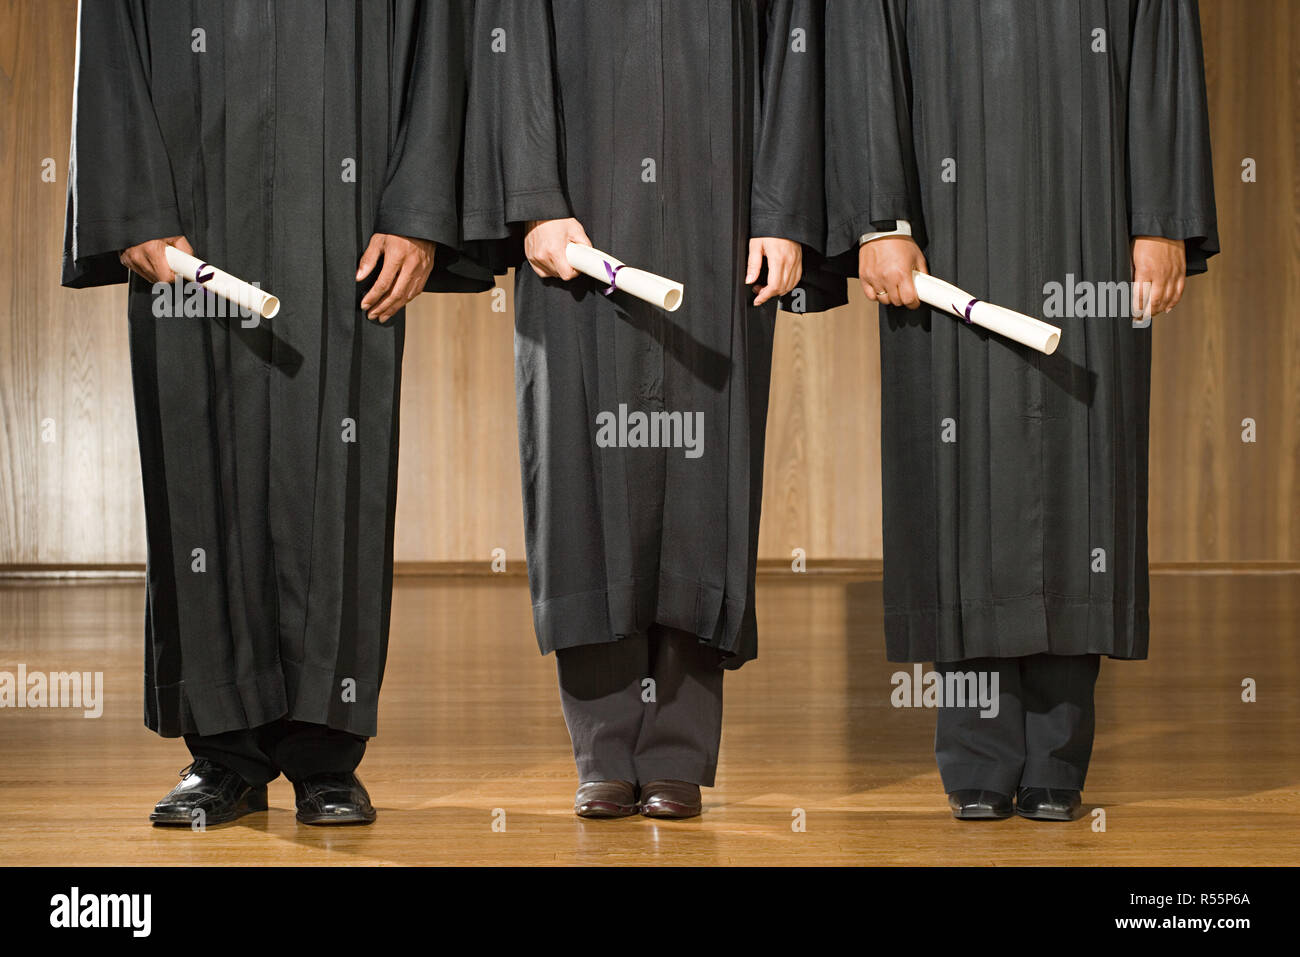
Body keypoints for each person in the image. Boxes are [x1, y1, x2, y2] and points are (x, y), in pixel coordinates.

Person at [62, 0, 490, 827]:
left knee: (335, 467)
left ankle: (325, 749)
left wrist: (418, 210)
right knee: (198, 456)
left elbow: (440, 32)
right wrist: (135, 204)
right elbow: (112, 30)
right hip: (190, 212)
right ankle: (221, 750)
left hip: (349, 212)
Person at [825, 0, 1218, 820]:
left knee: (1083, 495)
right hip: (944, 230)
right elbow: (866, 50)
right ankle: (976, 749)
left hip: (1093, 227)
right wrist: (880, 219)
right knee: (961, 483)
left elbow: (1160, 50)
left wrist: (1161, 218)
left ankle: (1058, 755)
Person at [462, 0, 836, 819]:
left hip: (722, 217)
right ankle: (602, 748)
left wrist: (779, 212)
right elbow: (513, 34)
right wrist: (534, 198)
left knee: (706, 485)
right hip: (578, 223)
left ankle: (679, 752)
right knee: (583, 479)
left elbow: (789, 49)